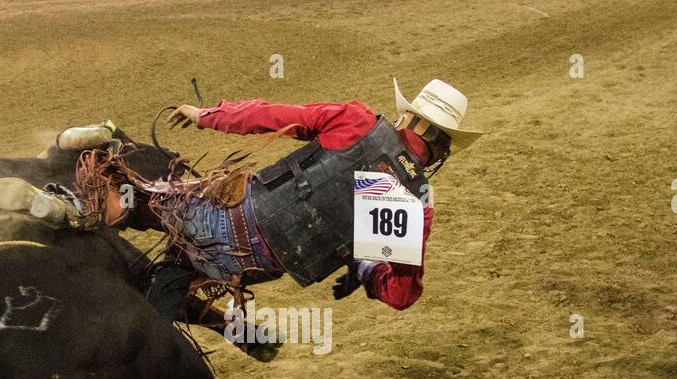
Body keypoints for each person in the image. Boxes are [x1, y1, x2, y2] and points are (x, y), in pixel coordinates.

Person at [122, 79, 482, 327]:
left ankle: (73, 205)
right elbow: (401, 293)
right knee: (173, 276)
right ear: (441, 148)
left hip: (226, 219)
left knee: (122, 186)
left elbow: (274, 116)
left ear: (409, 117)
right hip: (255, 267)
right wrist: (365, 270)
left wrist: (208, 116)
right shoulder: (415, 203)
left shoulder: (357, 121)